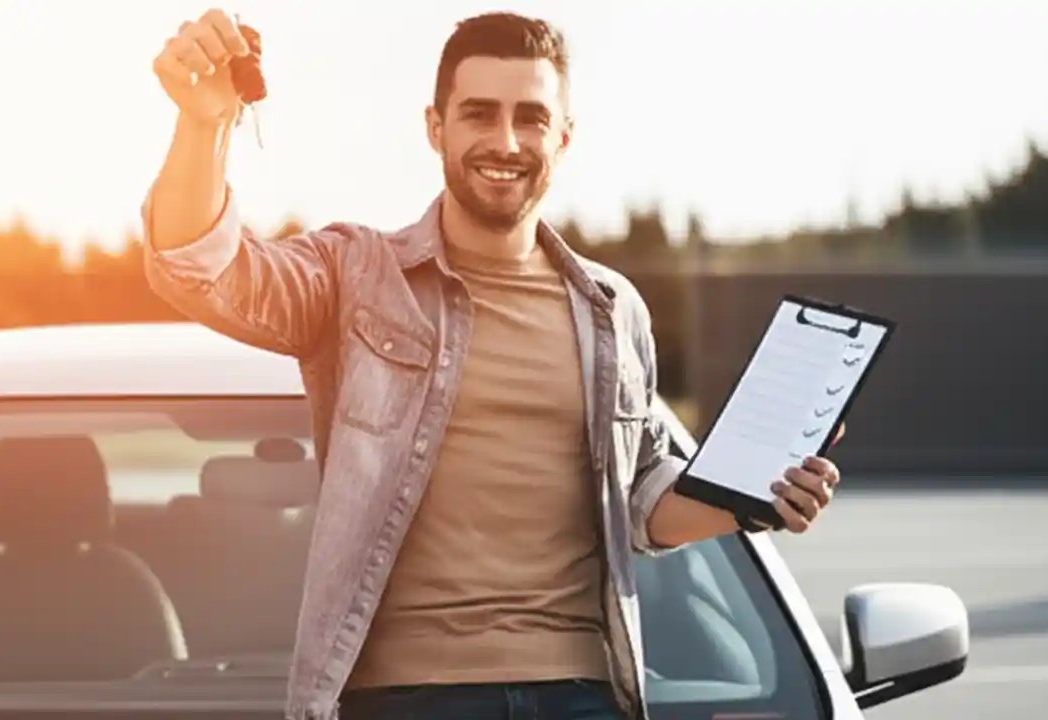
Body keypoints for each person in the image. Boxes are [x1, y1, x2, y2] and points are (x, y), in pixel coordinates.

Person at [141, 9, 843, 720]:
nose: (506, 141)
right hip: (409, 699)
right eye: (479, 113)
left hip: (585, 694)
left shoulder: (612, 310)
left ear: (563, 138)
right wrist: (203, 126)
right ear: (434, 127)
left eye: (531, 118)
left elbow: (641, 502)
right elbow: (201, 270)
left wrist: (759, 495)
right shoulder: (356, 274)